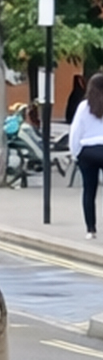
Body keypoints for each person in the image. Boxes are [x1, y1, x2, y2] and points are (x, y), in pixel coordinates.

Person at [69, 71, 103, 238]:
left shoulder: (84, 106)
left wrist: (75, 153)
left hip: (87, 151)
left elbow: (76, 131)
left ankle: (91, 230)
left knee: (89, 191)